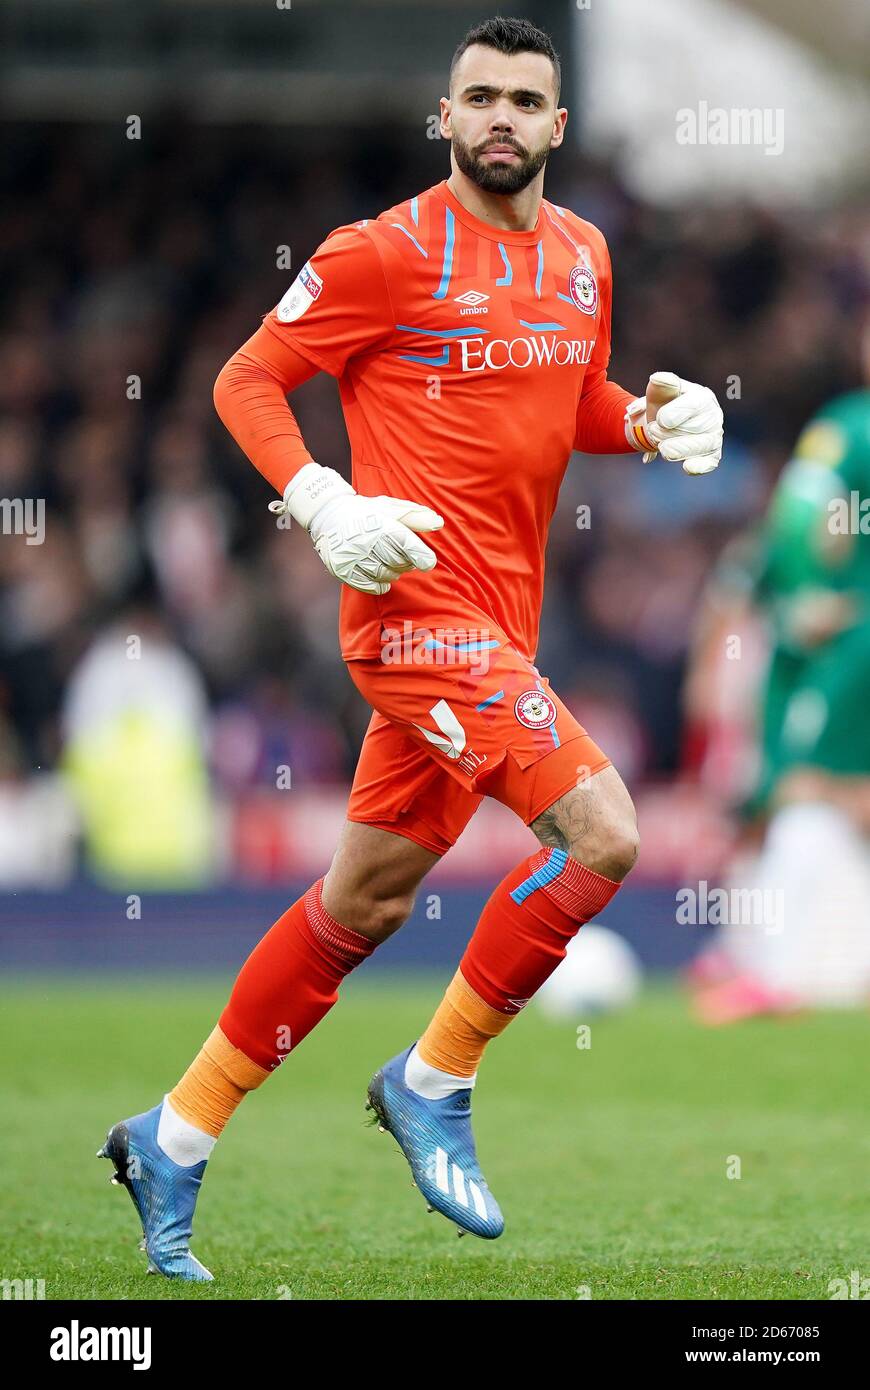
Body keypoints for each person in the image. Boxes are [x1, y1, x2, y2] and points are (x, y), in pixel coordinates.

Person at [99, 15, 723, 1278]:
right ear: (445, 118)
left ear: (559, 125)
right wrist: (322, 500)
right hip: (414, 622)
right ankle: (434, 1078)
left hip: (502, 626)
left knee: (363, 902)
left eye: (523, 100)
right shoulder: (381, 252)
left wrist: (651, 423)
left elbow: (565, 402)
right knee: (603, 834)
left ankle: (174, 1131)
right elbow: (245, 381)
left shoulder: (586, 257)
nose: (499, 117)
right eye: (476, 97)